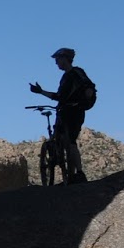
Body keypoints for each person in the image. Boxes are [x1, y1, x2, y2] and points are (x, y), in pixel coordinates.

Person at [29, 48, 91, 183]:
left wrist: (40, 92)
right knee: (71, 141)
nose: (56, 63)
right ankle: (76, 173)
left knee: (69, 140)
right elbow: (60, 97)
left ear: (64, 59)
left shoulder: (71, 74)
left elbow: (59, 97)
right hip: (77, 111)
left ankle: (76, 172)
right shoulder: (75, 74)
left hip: (70, 112)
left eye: (57, 60)